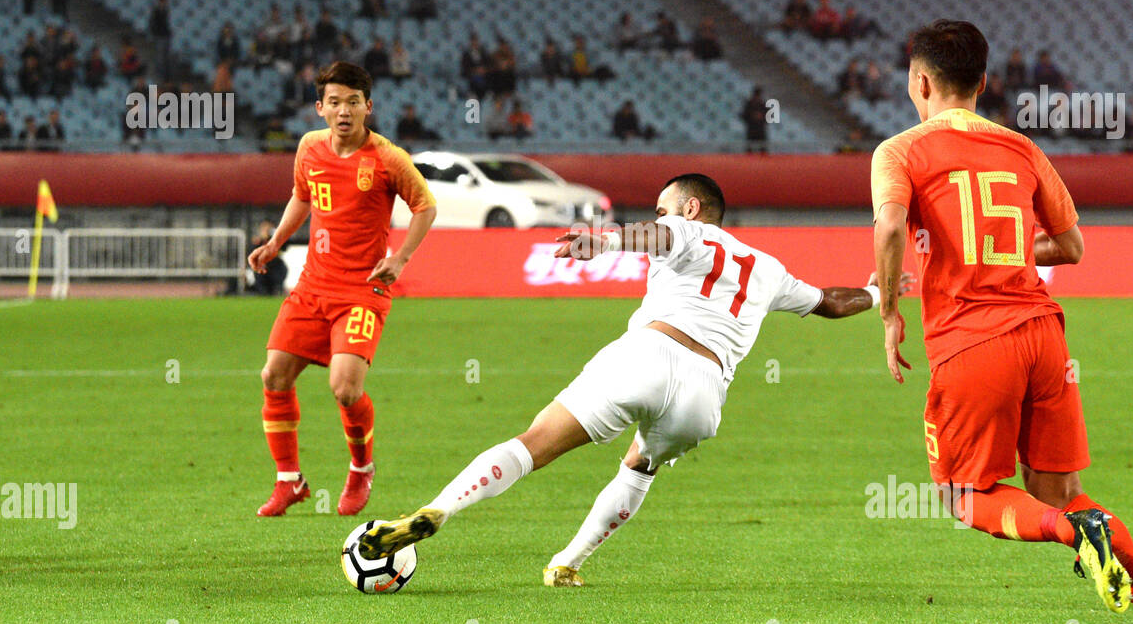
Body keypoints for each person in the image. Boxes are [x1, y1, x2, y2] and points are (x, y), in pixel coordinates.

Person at [358, 174, 912, 584]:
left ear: (691, 208)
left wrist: (605, 241)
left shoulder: (688, 231)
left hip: (648, 353)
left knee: (532, 445)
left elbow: (657, 236)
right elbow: (829, 303)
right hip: (704, 396)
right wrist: (877, 292)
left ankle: (440, 509)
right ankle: (567, 564)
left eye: (665, 205)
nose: (660, 212)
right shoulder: (768, 269)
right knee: (640, 466)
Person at [870, 18, 1133, 624]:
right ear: (984, 82)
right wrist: (1011, 247)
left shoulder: (900, 150)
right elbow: (1071, 246)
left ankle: (1079, 536)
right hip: (1043, 336)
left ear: (920, 80)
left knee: (967, 497)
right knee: (1062, 493)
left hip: (973, 343)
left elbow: (888, 230)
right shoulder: (1022, 149)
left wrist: (888, 313)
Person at [246, 61, 438, 518]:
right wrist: (276, 241)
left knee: (345, 388)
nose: (344, 110)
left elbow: (425, 207)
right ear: (319, 108)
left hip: (362, 290)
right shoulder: (309, 147)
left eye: (353, 102)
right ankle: (289, 481)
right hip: (313, 285)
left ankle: (361, 468)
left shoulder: (388, 158)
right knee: (273, 375)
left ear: (368, 107)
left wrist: (399, 259)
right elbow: (302, 196)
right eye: (334, 102)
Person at [742, 86, 768, 154]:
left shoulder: (763, 104)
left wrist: (761, 117)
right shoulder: (749, 104)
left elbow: (769, 118)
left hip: (760, 129)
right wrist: (752, 117)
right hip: (751, 129)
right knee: (749, 149)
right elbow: (744, 115)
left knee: (763, 148)